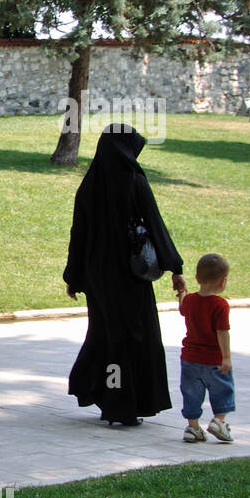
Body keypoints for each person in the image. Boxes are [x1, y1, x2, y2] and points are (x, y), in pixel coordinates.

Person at [64, 124, 186, 426]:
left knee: (107, 334)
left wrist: (74, 276)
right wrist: (175, 268)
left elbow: (78, 235)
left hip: (97, 275)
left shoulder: (89, 186)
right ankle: (126, 403)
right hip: (129, 274)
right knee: (134, 335)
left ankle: (111, 399)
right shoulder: (135, 182)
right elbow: (156, 226)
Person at [177, 253, 234, 443]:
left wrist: (183, 293)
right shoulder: (220, 305)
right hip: (213, 359)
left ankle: (192, 427)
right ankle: (219, 421)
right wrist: (226, 357)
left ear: (197, 278)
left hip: (190, 359)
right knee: (223, 390)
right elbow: (222, 332)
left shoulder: (191, 300)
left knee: (191, 393)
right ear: (223, 281)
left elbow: (183, 307)